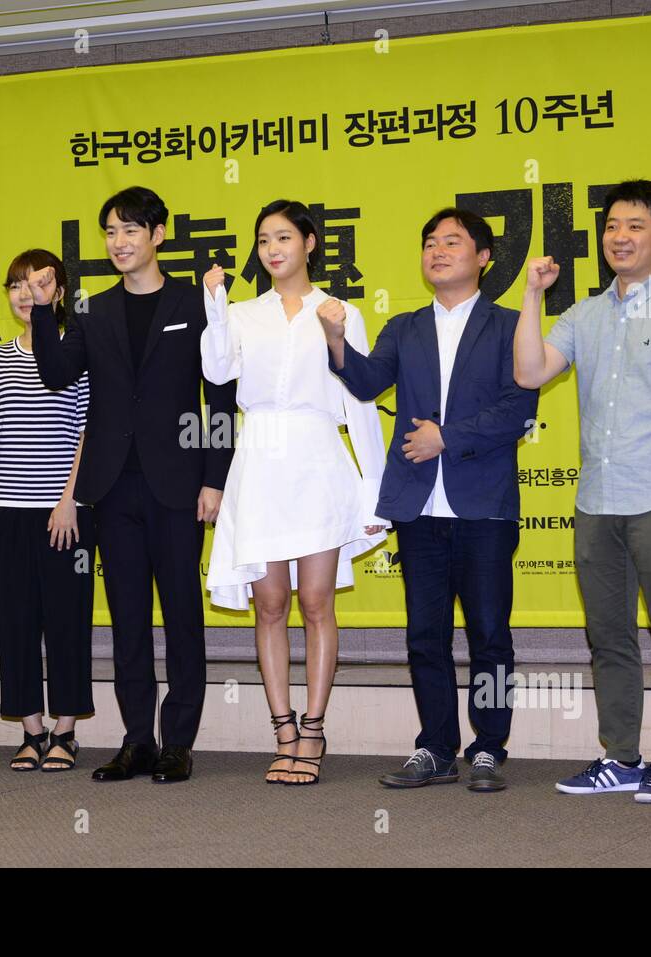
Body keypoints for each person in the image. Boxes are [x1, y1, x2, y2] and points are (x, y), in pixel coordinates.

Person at [513, 179, 651, 804]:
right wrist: (532, 295)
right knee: (608, 636)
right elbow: (529, 372)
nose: (619, 236)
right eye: (612, 225)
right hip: (597, 500)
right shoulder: (583, 315)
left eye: (636, 226)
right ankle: (621, 758)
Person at [29, 186, 237, 784]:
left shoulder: (196, 302)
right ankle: (138, 740)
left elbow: (219, 396)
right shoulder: (92, 310)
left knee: (182, 617)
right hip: (113, 487)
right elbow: (57, 373)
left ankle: (179, 742)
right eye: (110, 232)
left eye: (130, 230)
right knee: (126, 619)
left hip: (179, 486)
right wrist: (43, 309)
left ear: (158, 234)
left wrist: (215, 479)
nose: (118, 242)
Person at [327, 207, 538, 793]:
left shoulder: (508, 326)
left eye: (452, 242)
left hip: (484, 505)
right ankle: (437, 748)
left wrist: (447, 437)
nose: (437, 252)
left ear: (484, 257)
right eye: (429, 244)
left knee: (490, 634)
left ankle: (489, 747)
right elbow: (366, 382)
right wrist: (336, 340)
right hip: (419, 507)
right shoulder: (405, 327)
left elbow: (520, 410)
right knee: (425, 635)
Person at [201, 199, 388, 785]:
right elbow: (216, 372)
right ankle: (282, 730)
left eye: (283, 237)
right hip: (259, 462)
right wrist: (214, 308)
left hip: (317, 462)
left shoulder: (341, 312)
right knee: (270, 604)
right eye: (263, 240)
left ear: (309, 242)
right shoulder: (242, 313)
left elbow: (361, 401)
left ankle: (314, 728)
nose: (272, 249)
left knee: (316, 602)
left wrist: (376, 491)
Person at [0, 249, 94, 772]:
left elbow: (87, 432)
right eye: (16, 286)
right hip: (6, 511)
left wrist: (69, 500)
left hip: (63, 511)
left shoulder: (77, 352)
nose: (25, 294)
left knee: (68, 620)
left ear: (58, 291)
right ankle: (32, 731)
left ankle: (66, 731)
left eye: (37, 284)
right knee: (16, 622)